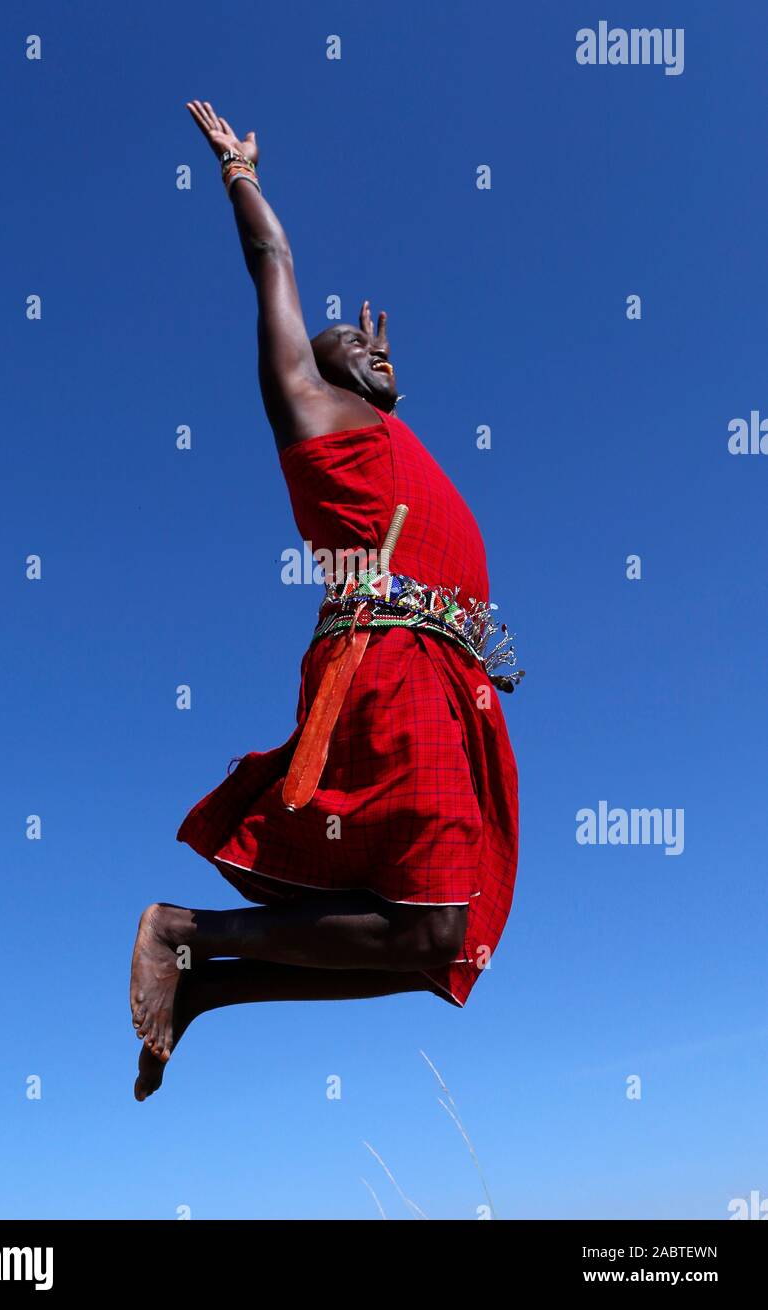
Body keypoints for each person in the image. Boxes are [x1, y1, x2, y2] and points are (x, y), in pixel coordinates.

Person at [130, 100, 520, 1102]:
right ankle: (180, 929)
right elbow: (273, 264)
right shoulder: (307, 406)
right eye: (349, 339)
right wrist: (238, 173)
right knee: (431, 921)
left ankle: (204, 988)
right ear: (312, 363)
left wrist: (376, 376)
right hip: (388, 665)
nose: (373, 345)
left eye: (383, 343)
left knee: (439, 940)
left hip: (449, 681)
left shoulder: (395, 438)